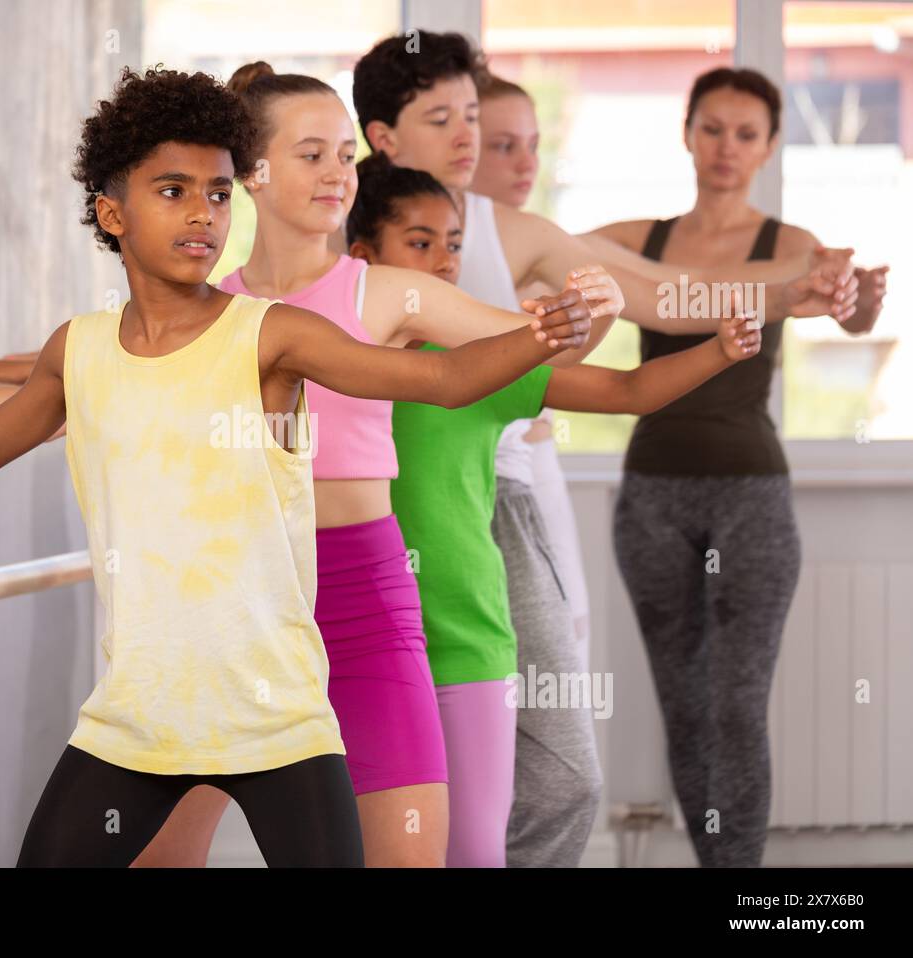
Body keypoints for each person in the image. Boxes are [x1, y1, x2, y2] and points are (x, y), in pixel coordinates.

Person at [0, 66, 596, 867]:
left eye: (217, 194)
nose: (200, 215)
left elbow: (439, 378)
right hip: (139, 720)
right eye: (172, 192)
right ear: (113, 213)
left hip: (280, 722)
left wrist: (539, 336)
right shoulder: (83, 350)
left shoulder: (273, 334)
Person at [350, 29, 860, 867]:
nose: (468, 135)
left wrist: (786, 292)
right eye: (442, 118)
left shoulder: (507, 228)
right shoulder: (347, 244)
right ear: (383, 137)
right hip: (362, 520)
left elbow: (658, 297)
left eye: (473, 113)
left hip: (485, 502)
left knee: (553, 775)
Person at [346, 153, 758, 866]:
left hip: (470, 638)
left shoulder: (478, 364)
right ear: (363, 256)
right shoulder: (332, 363)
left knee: (477, 850)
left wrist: (718, 351)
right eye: (420, 242)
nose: (443, 262)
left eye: (453, 244)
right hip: (366, 641)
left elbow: (625, 390)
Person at [585, 67, 886, 867]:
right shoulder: (633, 241)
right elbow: (548, 262)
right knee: (685, 708)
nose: (726, 148)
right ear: (686, 133)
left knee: (735, 707)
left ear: (770, 146)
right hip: (651, 495)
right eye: (712, 128)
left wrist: (863, 297)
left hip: (750, 496)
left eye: (746, 134)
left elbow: (853, 314)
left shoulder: (789, 247)